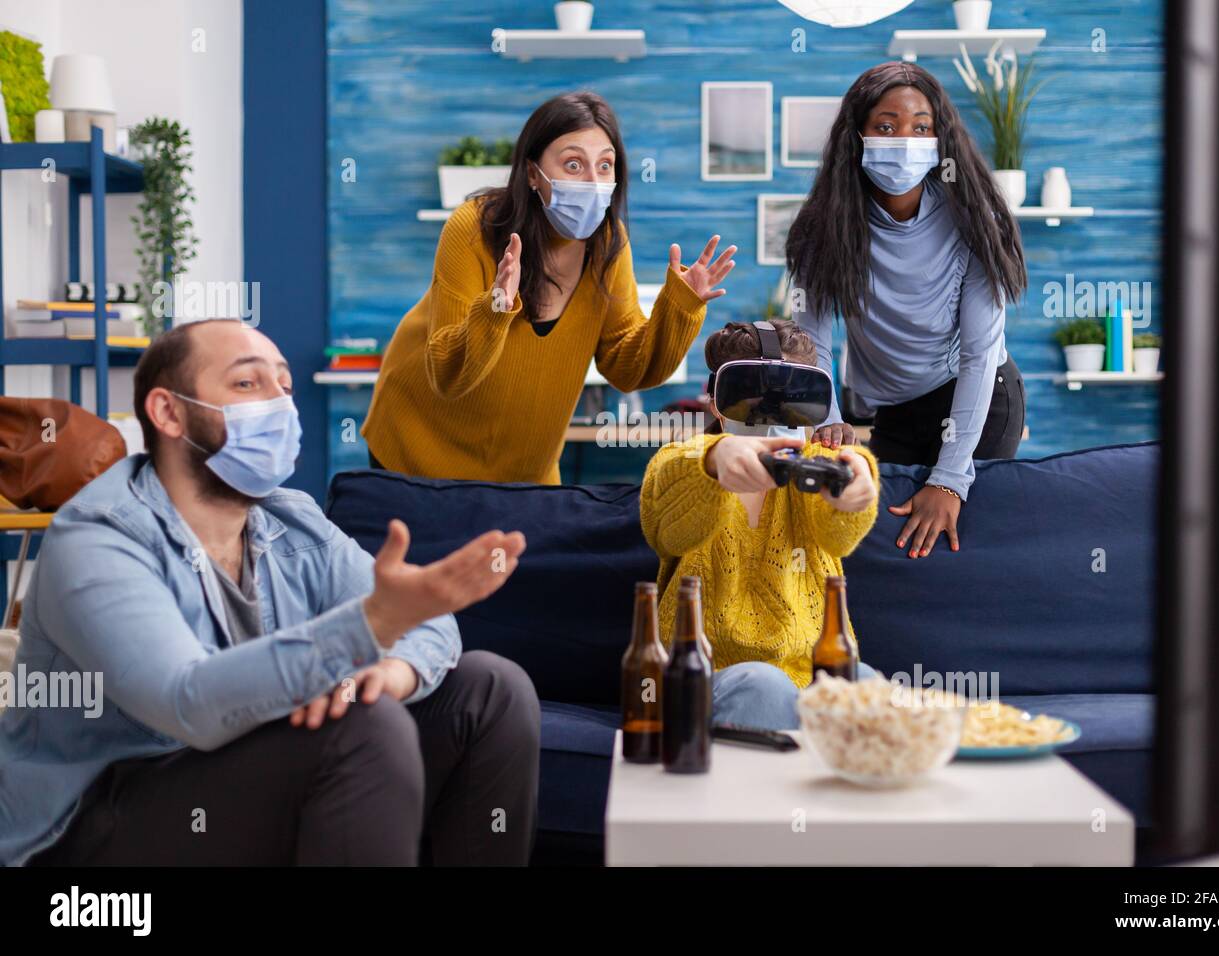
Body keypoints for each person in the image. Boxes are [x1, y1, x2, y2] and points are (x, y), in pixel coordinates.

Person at [0, 319, 539, 866]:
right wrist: (369, 628)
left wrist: (389, 674)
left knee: (490, 690)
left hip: (236, 779)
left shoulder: (291, 518)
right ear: (168, 412)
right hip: (92, 827)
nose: (280, 403)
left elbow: (428, 622)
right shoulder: (96, 537)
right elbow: (186, 701)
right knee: (362, 730)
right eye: (246, 384)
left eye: (283, 383)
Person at [362, 90, 735, 483]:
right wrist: (495, 308)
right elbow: (449, 376)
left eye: (605, 165)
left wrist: (680, 305)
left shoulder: (609, 243)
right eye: (573, 164)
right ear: (531, 174)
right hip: (417, 449)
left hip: (524, 468)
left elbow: (628, 370)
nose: (593, 181)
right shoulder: (473, 229)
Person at [787, 60, 1029, 560]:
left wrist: (949, 480)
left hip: (978, 401)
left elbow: (979, 358)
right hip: (894, 410)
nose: (904, 138)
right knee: (886, 542)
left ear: (941, 140)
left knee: (955, 544)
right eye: (886, 125)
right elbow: (811, 344)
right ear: (857, 135)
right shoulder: (822, 229)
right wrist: (827, 419)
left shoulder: (973, 221)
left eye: (921, 127)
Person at [639, 320, 880, 731]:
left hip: (812, 674)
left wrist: (858, 482)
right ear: (717, 400)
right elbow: (672, 525)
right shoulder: (681, 462)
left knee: (869, 687)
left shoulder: (816, 468)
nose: (770, 414)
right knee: (764, 686)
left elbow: (839, 534)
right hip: (698, 680)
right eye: (753, 397)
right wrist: (714, 460)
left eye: (790, 399)